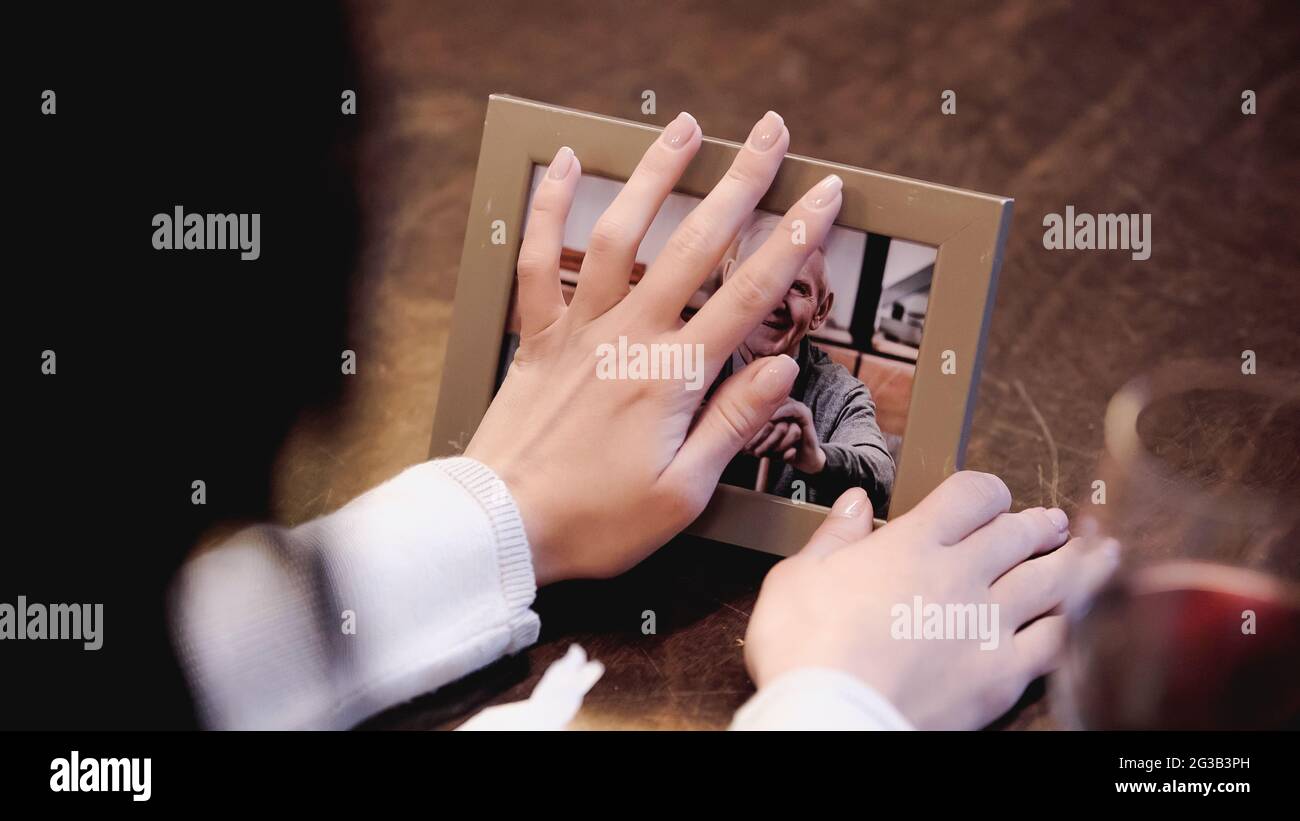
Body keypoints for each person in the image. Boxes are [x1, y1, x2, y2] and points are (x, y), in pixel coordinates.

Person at [169, 111, 1118, 730]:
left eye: (804, 295)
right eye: (768, 287)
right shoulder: (675, 355)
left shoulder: (830, 386)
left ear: (822, 314)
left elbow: (871, 460)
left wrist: (505, 509)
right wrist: (836, 706)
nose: (782, 307)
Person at [712, 213, 895, 509]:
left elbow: (880, 477)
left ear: (821, 311)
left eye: (798, 288)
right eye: (762, 277)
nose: (776, 301)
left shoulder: (841, 394)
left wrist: (817, 459)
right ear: (729, 279)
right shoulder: (686, 356)